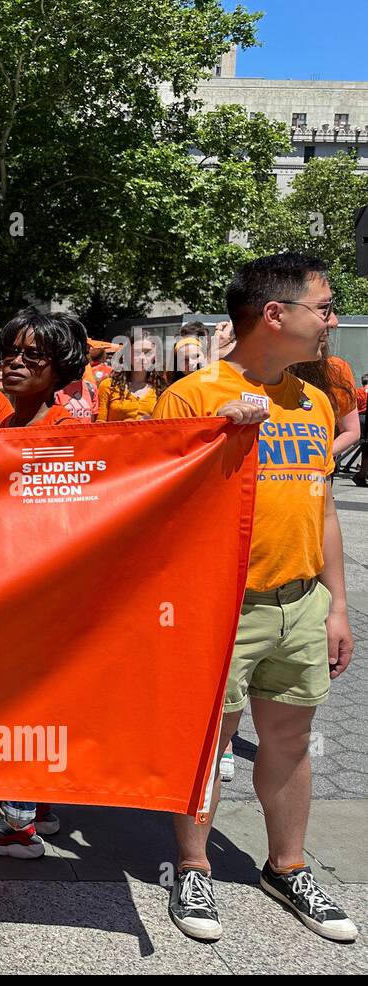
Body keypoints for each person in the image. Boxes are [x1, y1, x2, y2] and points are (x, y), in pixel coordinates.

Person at [154, 252, 356, 944]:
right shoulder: (194, 397)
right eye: (323, 306)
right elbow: (158, 512)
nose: (332, 319)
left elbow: (323, 505)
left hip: (300, 603)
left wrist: (336, 604)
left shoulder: (317, 399)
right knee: (208, 743)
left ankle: (286, 866)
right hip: (220, 604)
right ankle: (190, 864)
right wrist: (220, 447)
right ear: (276, 315)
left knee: (291, 742)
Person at [0, 310, 88, 857]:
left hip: (46, 593)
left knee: (29, 703)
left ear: (61, 369)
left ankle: (17, 826)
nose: (16, 363)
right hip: (7, 587)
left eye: (34, 356)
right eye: (10, 352)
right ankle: (35, 806)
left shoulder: (69, 431)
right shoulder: (6, 426)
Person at [290, 334, 359, 457]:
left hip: (318, 467)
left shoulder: (335, 370)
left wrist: (318, 456)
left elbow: (351, 431)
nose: (333, 322)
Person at [96, 336, 169, 422]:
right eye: (137, 352)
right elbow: (99, 424)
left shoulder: (162, 389)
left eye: (148, 352)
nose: (142, 357)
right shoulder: (108, 386)